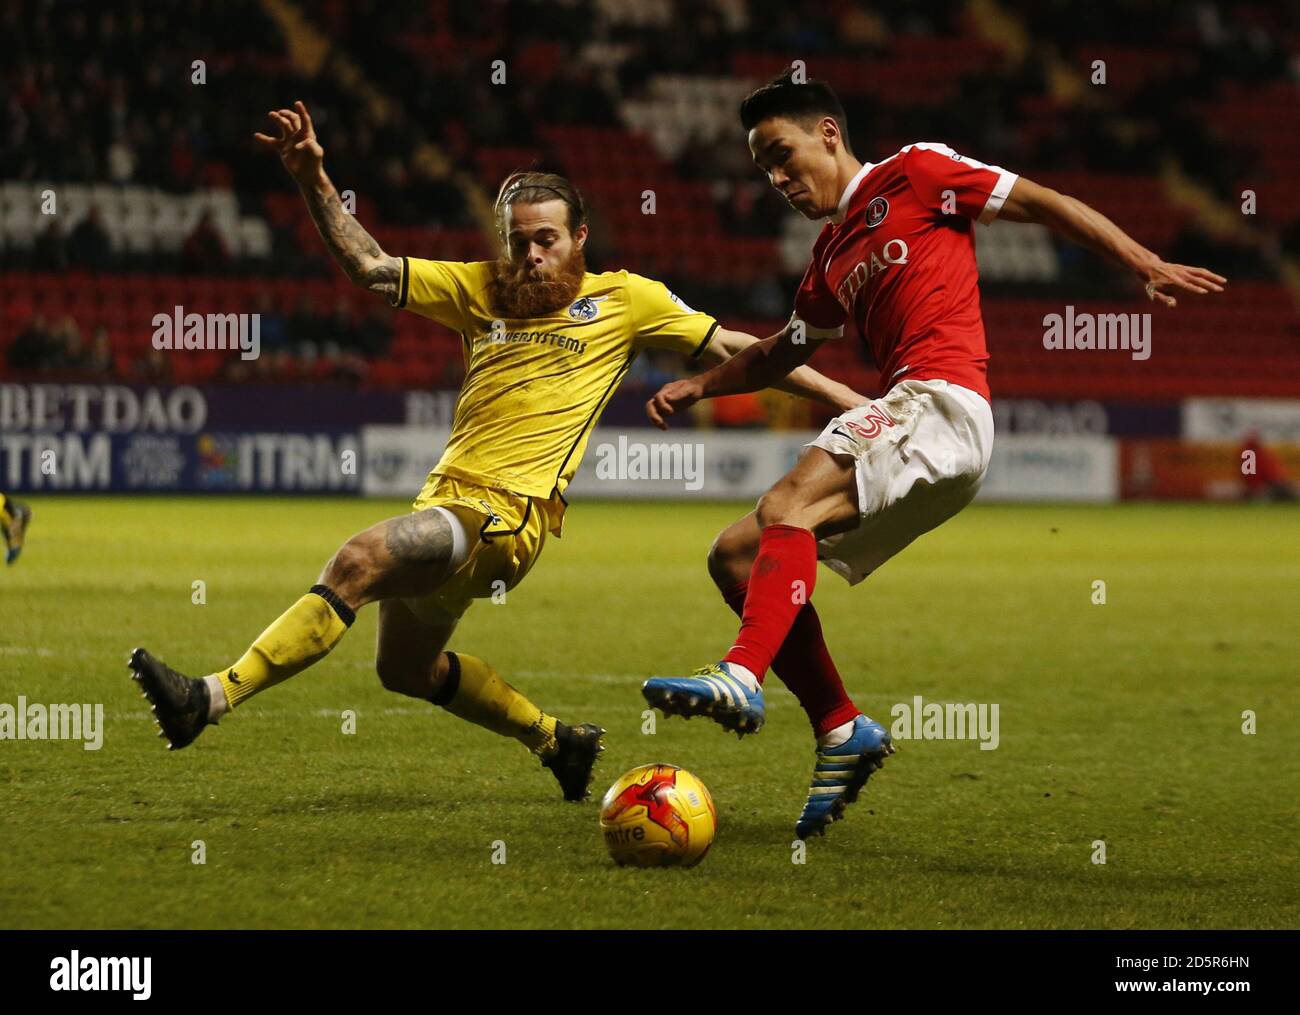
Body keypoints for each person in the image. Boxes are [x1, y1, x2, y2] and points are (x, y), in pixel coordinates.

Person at [129, 100, 865, 806]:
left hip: (508, 517)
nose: (532, 255)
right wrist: (312, 177)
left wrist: (851, 401)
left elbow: (743, 347)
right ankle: (558, 742)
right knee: (405, 670)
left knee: (356, 562)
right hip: (447, 500)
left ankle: (208, 698)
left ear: (581, 238)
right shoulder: (479, 289)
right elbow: (372, 269)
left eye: (547, 239)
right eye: (519, 241)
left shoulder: (625, 299)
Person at [644, 70, 1227, 838]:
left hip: (941, 402)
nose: (778, 178)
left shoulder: (916, 172)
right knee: (734, 557)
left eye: (782, 155)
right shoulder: (829, 256)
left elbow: (1040, 201)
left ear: (828, 134)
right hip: (918, 421)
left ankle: (740, 675)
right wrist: (701, 387)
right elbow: (781, 352)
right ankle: (843, 729)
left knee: (787, 506)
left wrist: (1138, 259)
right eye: (763, 168)